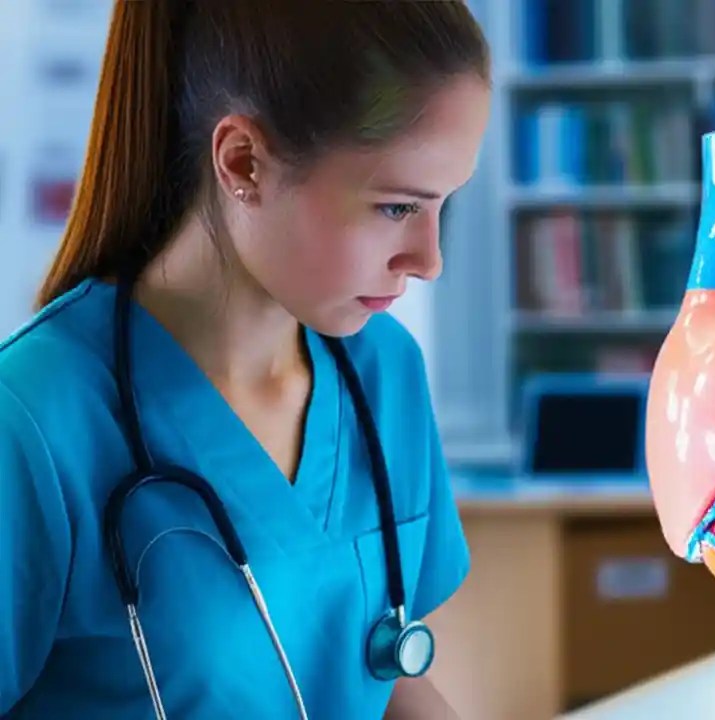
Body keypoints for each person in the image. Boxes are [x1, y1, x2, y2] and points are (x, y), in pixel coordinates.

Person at [0, 1, 489, 718]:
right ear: (243, 163)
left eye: (445, 205)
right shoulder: (33, 419)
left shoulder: (384, 374)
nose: (429, 259)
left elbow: (383, 676)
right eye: (396, 208)